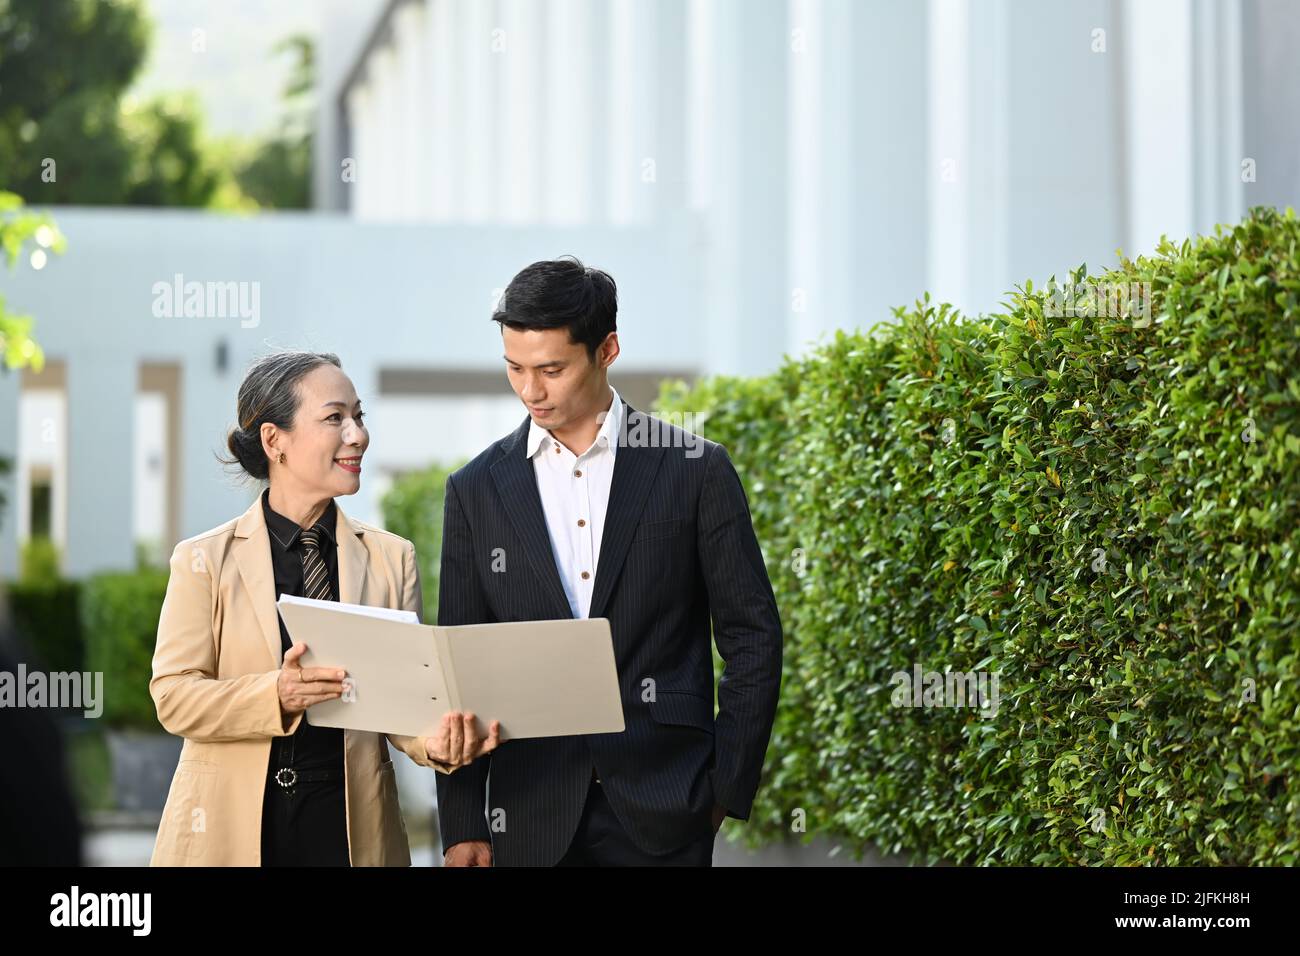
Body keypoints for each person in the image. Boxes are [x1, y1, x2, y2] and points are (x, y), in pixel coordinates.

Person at [436, 258, 783, 866]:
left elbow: (753, 637)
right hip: (529, 809)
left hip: (667, 806)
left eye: (551, 369)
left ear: (607, 350)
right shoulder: (476, 489)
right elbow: (462, 664)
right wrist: (464, 820)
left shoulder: (696, 470)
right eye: (514, 369)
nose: (530, 391)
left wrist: (724, 787)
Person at [150, 350, 499, 866]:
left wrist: (437, 746)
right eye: (335, 417)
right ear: (275, 441)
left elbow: (402, 704)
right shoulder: (204, 560)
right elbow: (174, 696)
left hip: (349, 831)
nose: (357, 434)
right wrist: (277, 693)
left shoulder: (390, 558)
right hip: (231, 834)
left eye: (359, 416)